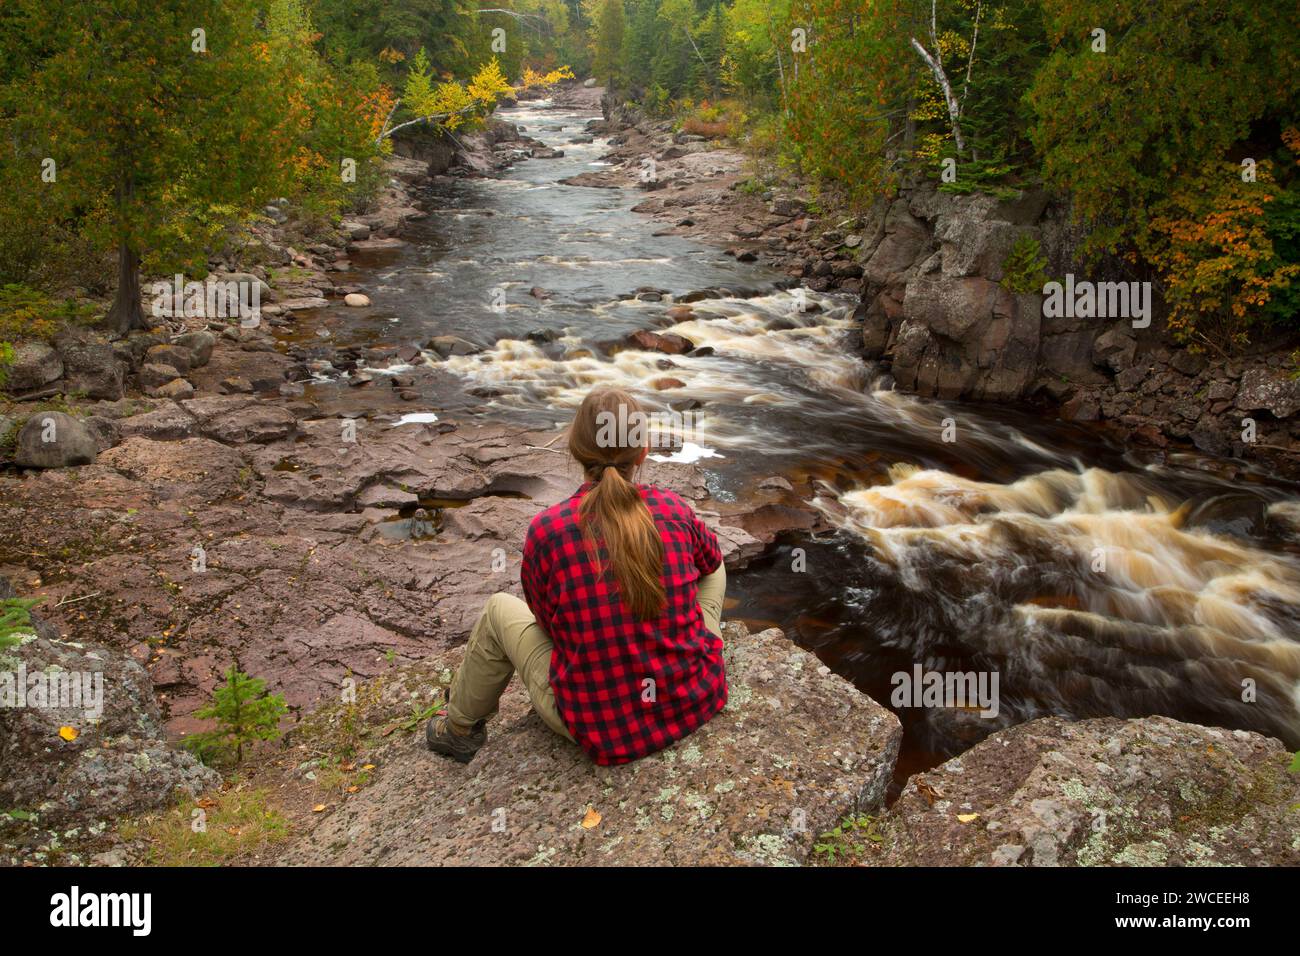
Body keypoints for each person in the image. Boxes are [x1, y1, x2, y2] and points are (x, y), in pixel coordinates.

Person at [426, 386, 728, 765]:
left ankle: (458, 730)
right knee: (714, 568)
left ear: (575, 451)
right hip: (695, 698)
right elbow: (710, 564)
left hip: (599, 727)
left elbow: (547, 623)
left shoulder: (548, 530)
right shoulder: (672, 508)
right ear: (643, 452)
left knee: (498, 610)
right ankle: (694, 648)